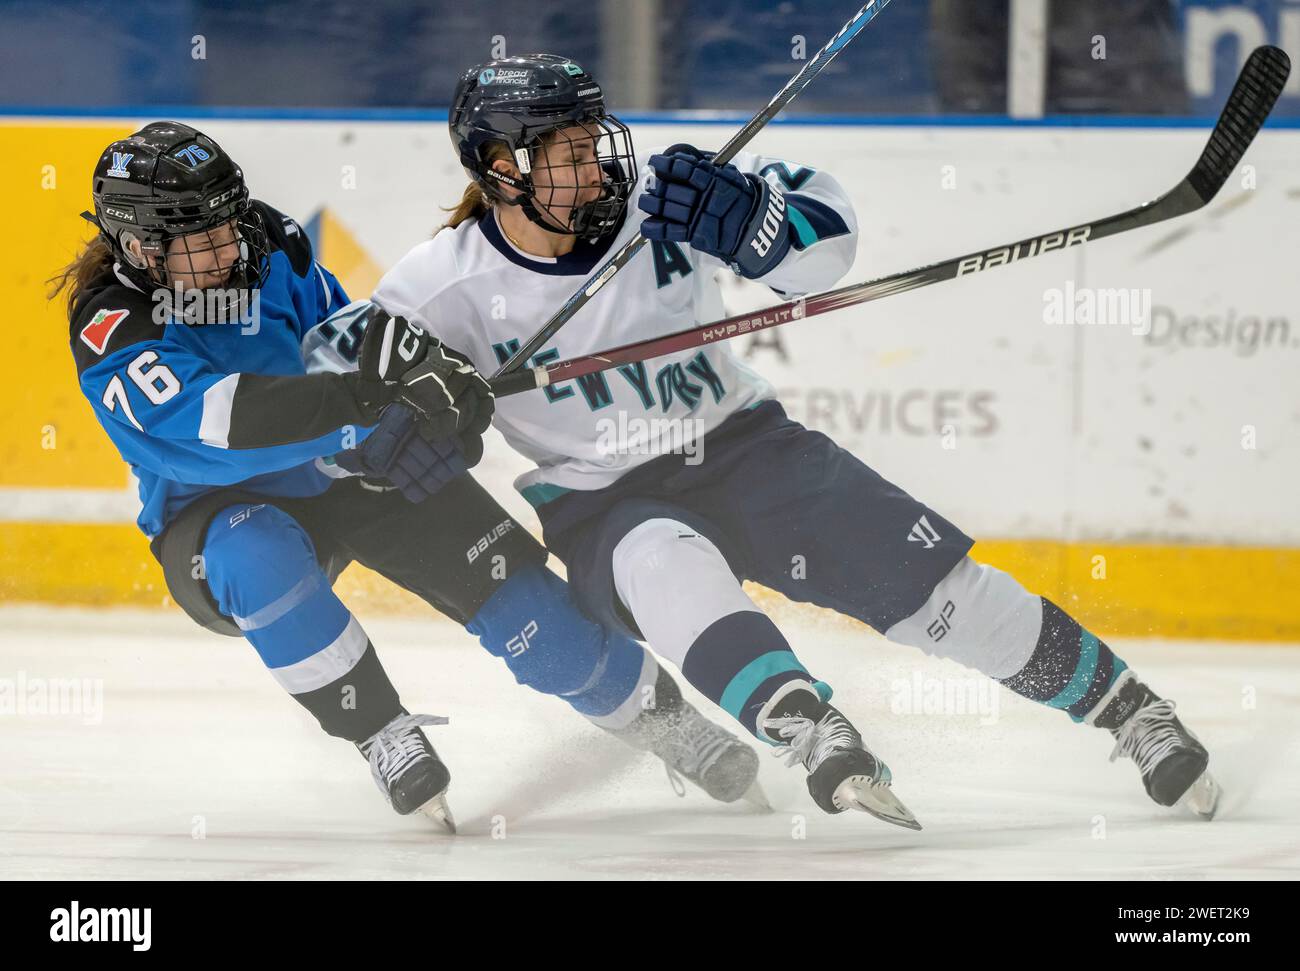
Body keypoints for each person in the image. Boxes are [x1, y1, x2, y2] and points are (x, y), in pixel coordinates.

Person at [332, 55, 1219, 827]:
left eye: (594, 141)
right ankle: (810, 725)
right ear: (501, 168)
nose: (595, 165)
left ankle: (1130, 709)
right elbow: (340, 389)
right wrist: (401, 416)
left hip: (746, 448)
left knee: (939, 596)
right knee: (664, 562)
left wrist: (758, 223)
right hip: (601, 501)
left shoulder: (663, 197)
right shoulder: (440, 285)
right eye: (567, 152)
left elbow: (829, 240)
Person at [53, 121, 759, 831]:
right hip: (218, 510)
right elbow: (222, 422)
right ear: (141, 248)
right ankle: (380, 730)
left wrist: (429, 378)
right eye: (202, 239)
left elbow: (339, 336)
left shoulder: (266, 240)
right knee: (256, 553)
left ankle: (669, 723)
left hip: (345, 465)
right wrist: (362, 404)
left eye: (228, 224)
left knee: (532, 616)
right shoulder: (112, 327)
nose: (229, 248)